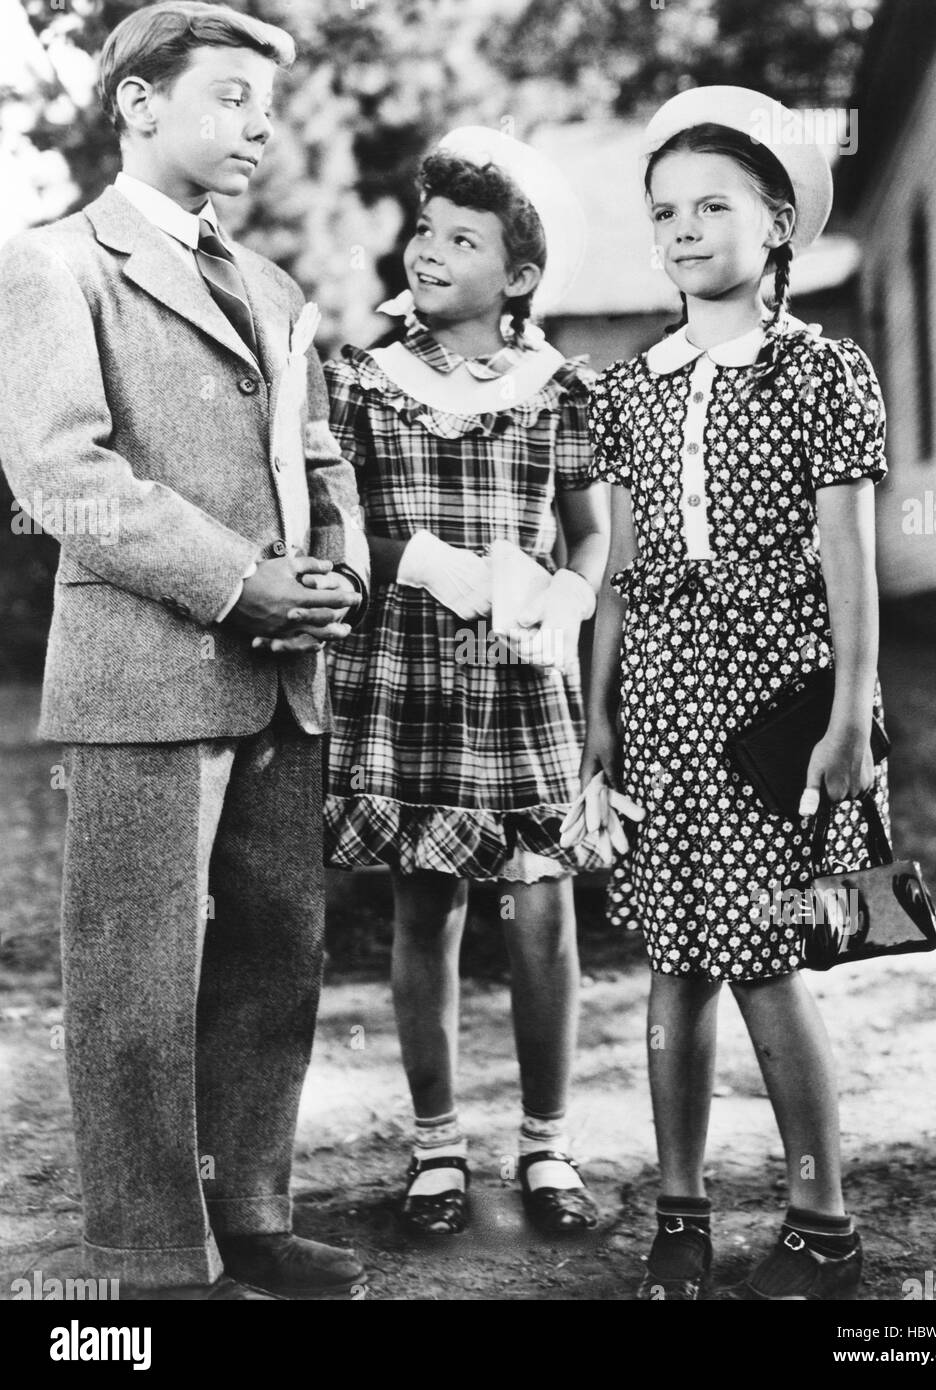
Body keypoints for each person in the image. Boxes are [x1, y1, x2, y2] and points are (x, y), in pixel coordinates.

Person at [0, 2, 371, 1300]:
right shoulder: (57, 263)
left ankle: (250, 1210)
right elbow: (61, 472)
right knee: (136, 979)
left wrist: (338, 570)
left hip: (283, 681)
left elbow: (319, 462)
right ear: (140, 104)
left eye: (266, 102)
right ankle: (155, 1258)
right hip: (146, 673)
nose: (258, 123)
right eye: (228, 95)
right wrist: (238, 581)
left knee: (279, 950)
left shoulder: (270, 289)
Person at [574, 86, 889, 1300]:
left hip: (777, 696)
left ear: (776, 226)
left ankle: (822, 1220)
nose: (684, 229)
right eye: (665, 212)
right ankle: (680, 1209)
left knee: (767, 950)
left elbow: (846, 559)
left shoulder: (822, 372)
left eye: (713, 205)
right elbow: (624, 568)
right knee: (673, 959)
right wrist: (599, 716)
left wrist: (849, 714)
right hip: (656, 696)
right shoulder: (632, 388)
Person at [320, 128, 609, 1236]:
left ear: (519, 275)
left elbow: (589, 538)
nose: (428, 248)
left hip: (521, 678)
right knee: (423, 901)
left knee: (540, 907)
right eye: (425, 229)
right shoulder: (363, 383)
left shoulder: (557, 389)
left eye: (461, 237)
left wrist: (570, 596)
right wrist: (422, 561)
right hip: (408, 676)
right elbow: (342, 532)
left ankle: (546, 1144)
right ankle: (436, 1147)